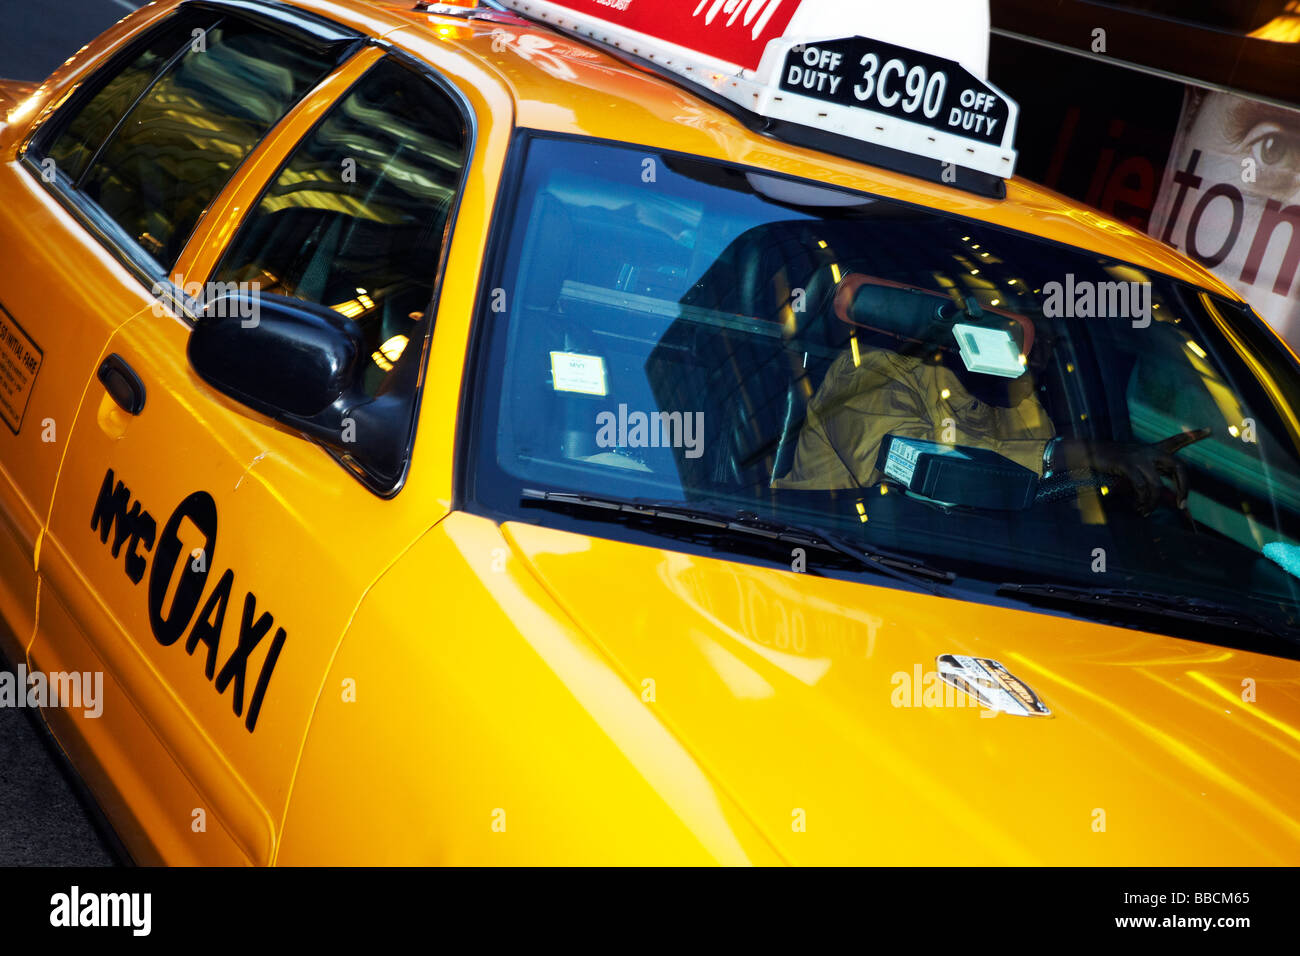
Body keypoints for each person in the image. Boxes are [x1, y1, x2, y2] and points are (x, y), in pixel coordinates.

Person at [772, 272, 1207, 513]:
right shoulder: (870, 371)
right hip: (828, 555)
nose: (1038, 354)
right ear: (971, 325)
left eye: (1050, 342)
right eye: (1022, 332)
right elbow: (919, 462)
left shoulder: (1019, 402)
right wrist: (1084, 453)